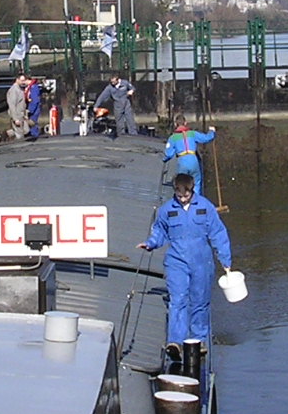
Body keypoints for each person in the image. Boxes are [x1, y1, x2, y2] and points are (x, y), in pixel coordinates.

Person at [138, 171, 232, 347]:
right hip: (177, 262)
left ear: (192, 190)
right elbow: (159, 231)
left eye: (186, 195)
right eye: (179, 195)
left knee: (199, 301)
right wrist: (150, 243)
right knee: (178, 300)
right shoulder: (166, 210)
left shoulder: (206, 207)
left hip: (202, 262)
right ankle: (175, 342)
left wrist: (225, 260)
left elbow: (218, 233)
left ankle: (199, 340)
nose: (182, 199)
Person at [164, 114, 216, 183]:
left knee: (182, 183)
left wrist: (164, 159)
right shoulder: (192, 134)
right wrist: (212, 131)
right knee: (196, 182)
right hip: (193, 160)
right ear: (185, 123)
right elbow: (206, 138)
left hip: (182, 161)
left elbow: (169, 154)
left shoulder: (173, 138)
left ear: (175, 124)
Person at [93, 72, 138, 136]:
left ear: (118, 79)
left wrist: (131, 91)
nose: (112, 83)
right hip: (117, 105)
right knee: (119, 121)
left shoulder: (125, 83)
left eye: (114, 82)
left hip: (126, 103)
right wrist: (96, 106)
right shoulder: (109, 88)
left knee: (130, 118)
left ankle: (133, 133)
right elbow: (102, 96)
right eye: (111, 82)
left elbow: (132, 88)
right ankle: (121, 134)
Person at [6, 72, 33, 139]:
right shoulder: (14, 90)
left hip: (22, 115)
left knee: (27, 131)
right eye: (21, 81)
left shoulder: (20, 88)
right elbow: (12, 105)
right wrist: (15, 119)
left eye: (24, 81)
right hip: (17, 115)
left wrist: (25, 114)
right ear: (17, 80)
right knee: (19, 134)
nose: (23, 82)